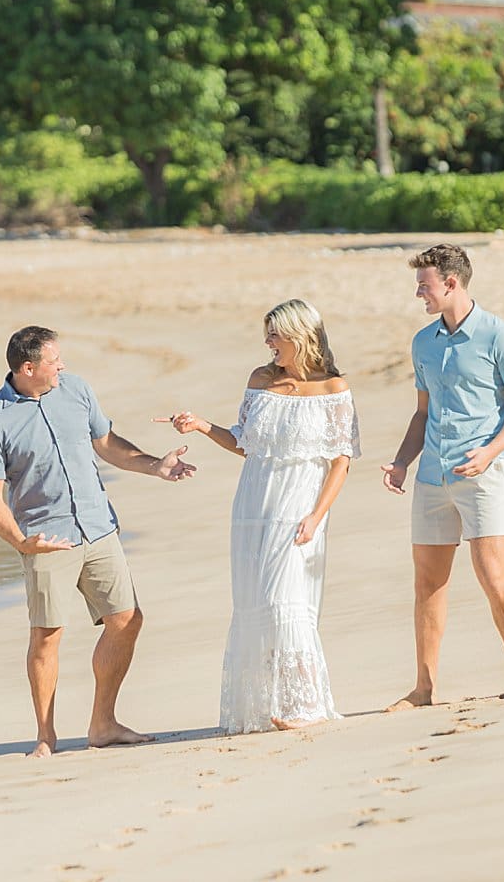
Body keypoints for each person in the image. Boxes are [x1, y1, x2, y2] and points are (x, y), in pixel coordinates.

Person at [0, 326, 196, 758]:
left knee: (127, 620)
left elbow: (107, 444)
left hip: (98, 527)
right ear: (28, 368)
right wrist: (22, 541)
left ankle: (103, 723)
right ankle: (45, 735)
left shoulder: (75, 390)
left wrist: (156, 466)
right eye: (55, 361)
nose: (63, 367)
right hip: (47, 538)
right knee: (47, 636)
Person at [161, 299, 357, 733]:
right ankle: (266, 706)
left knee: (286, 599)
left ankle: (306, 705)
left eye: (275, 334)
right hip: (254, 503)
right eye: (267, 334)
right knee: (257, 603)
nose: (268, 343)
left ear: (300, 336)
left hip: (300, 505)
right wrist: (199, 425)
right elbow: (244, 441)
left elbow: (341, 460)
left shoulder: (333, 388)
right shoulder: (260, 380)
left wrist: (316, 516)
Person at [380, 244, 504, 708]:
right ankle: (423, 688)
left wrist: (490, 453)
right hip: (432, 475)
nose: (418, 294)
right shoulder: (423, 342)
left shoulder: (499, 336)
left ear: (451, 283)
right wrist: (401, 462)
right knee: (427, 582)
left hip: (485, 473)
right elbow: (422, 413)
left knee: (492, 574)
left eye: (424, 285)